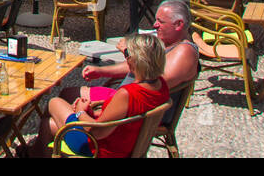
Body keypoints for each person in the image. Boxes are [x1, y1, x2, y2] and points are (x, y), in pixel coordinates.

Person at [35, 32, 170, 157]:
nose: (126, 57)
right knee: (48, 124)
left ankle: (35, 153)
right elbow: (126, 114)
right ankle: (34, 153)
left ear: (136, 60)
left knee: (54, 102)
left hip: (101, 148)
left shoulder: (127, 94)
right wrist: (96, 106)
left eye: (128, 53)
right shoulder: (161, 85)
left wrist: (81, 112)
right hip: (127, 144)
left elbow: (97, 131)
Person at [73, 0, 198, 112]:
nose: (154, 25)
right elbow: (137, 67)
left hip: (135, 112)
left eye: (160, 21)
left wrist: (128, 53)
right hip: (126, 99)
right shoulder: (167, 44)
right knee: (70, 94)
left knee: (59, 105)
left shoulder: (184, 51)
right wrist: (101, 71)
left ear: (178, 24)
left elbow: (154, 83)